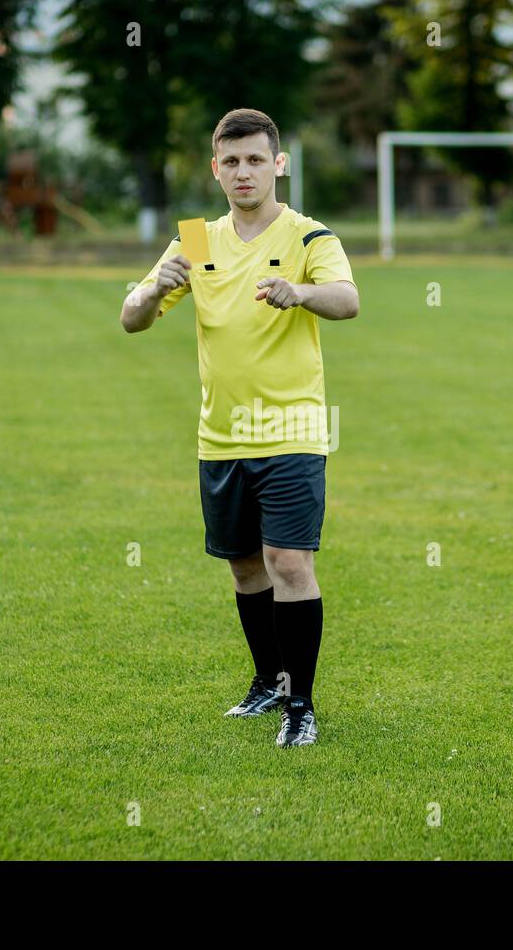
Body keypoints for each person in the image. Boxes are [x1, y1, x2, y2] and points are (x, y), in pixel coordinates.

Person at [120, 108, 359, 747]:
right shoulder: (194, 240)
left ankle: (300, 708)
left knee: (289, 561)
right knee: (246, 567)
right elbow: (131, 318)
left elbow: (348, 300)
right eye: (232, 162)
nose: (244, 172)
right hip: (220, 437)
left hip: (291, 431)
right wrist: (148, 294)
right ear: (216, 170)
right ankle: (266, 684)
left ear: (277, 164)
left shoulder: (312, 237)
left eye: (256, 159)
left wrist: (301, 294)